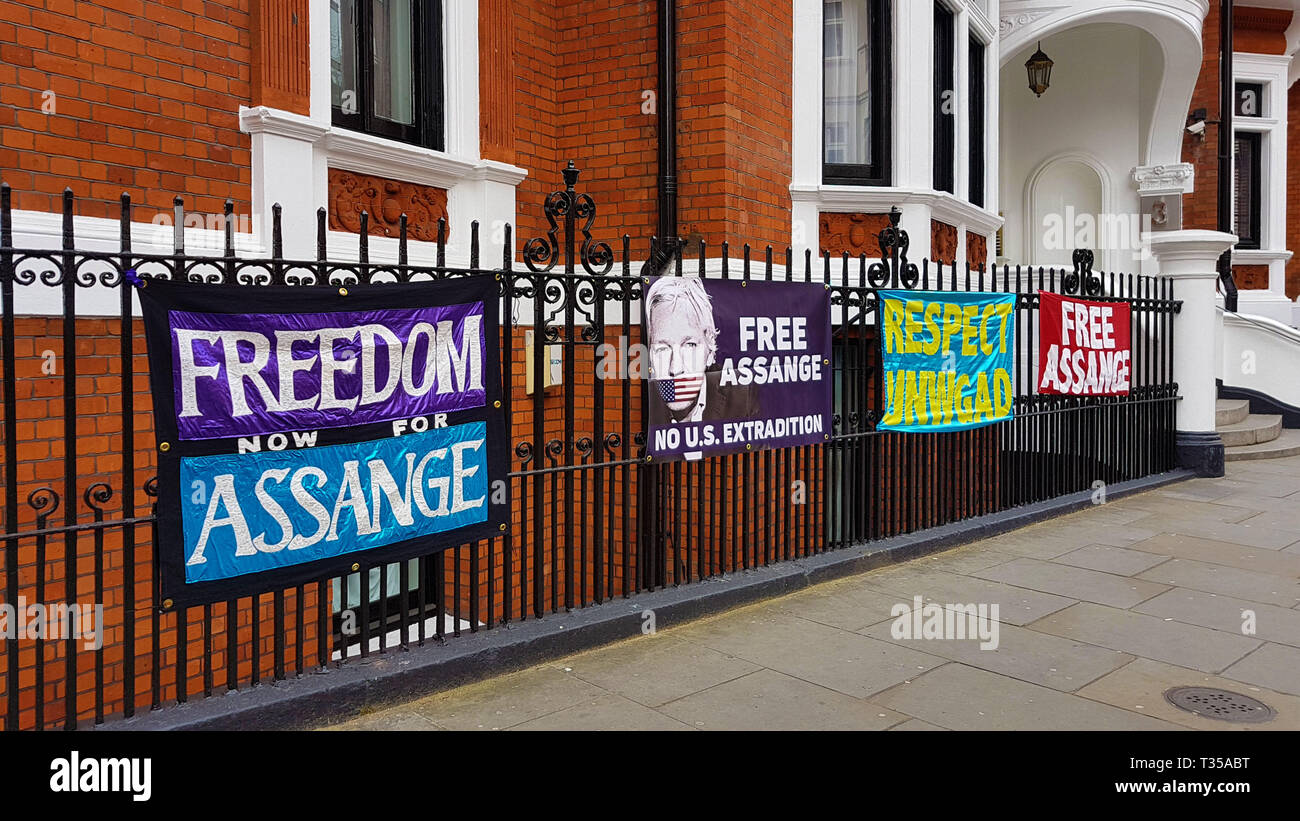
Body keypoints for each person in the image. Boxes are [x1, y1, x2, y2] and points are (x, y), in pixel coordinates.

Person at [644, 276, 759, 432]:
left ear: (710, 350)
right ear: (650, 354)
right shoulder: (642, 407)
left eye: (689, 345)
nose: (675, 368)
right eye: (662, 348)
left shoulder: (741, 400)